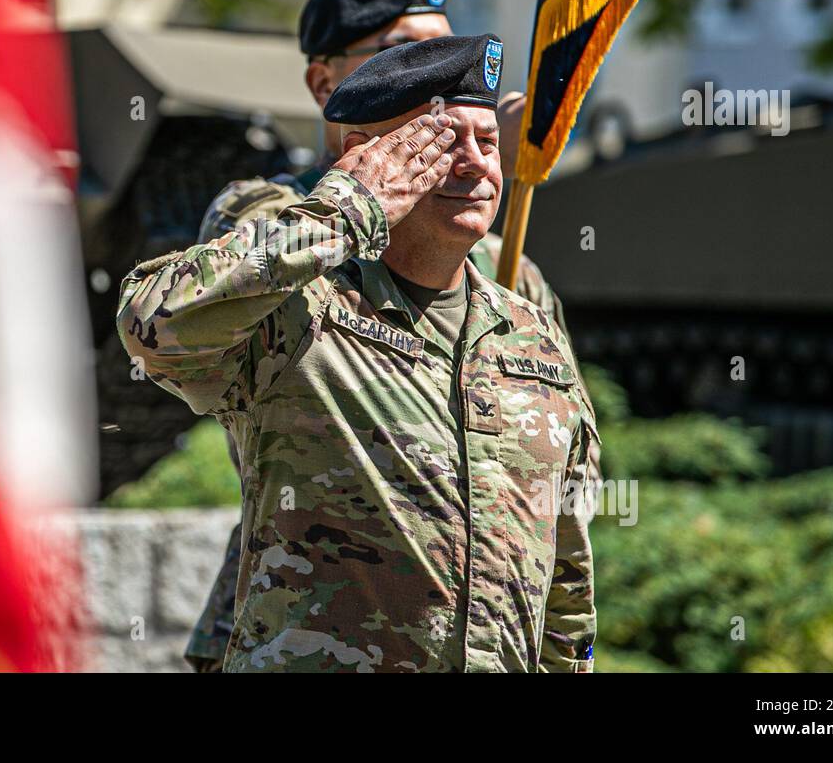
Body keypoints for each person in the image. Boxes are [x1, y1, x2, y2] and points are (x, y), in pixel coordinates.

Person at [120, 35, 598, 672]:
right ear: (366, 157)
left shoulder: (532, 334)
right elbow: (152, 318)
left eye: (487, 143)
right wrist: (345, 211)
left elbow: (564, 575)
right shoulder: (300, 313)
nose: (476, 165)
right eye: (442, 141)